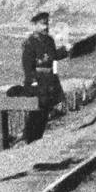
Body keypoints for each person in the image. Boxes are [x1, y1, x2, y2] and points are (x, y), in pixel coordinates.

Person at [21, 11, 69, 143]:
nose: (46, 27)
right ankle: (29, 139)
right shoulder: (30, 42)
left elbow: (53, 59)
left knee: (45, 112)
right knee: (36, 110)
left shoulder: (49, 40)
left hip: (49, 82)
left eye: (47, 24)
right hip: (37, 82)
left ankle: (37, 139)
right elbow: (27, 66)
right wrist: (33, 82)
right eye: (43, 24)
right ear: (35, 25)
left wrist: (65, 51)